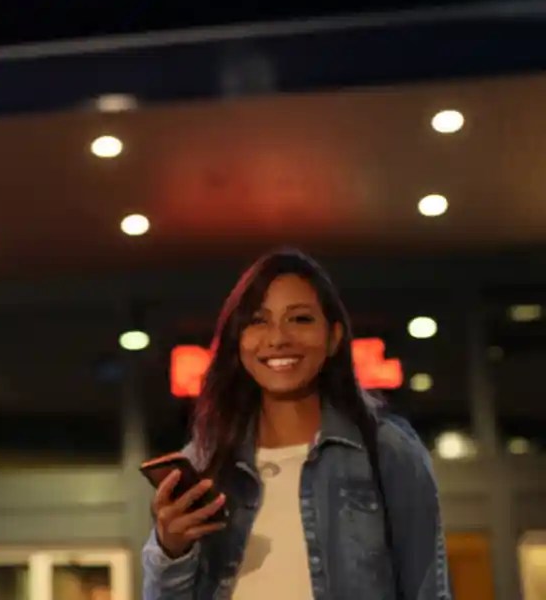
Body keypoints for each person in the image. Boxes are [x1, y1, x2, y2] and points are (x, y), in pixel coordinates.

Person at [141, 249, 451, 600]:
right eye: (258, 321)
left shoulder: (386, 449)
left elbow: (429, 588)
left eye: (300, 319)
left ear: (334, 337)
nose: (278, 339)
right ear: (237, 340)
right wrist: (172, 550)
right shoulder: (206, 460)